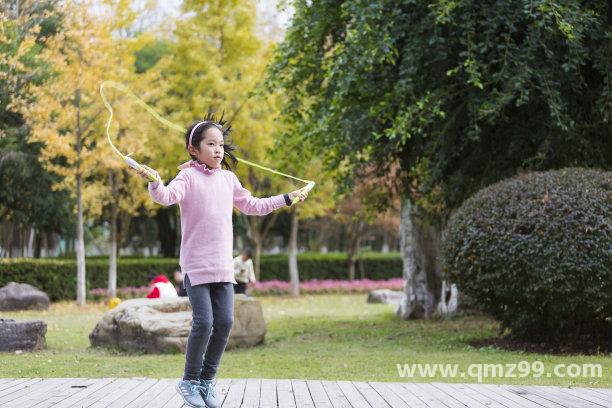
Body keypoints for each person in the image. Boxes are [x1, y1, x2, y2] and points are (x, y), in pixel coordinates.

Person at [134, 113, 309, 408]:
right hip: (196, 265)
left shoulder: (229, 179)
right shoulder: (187, 176)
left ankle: (206, 381)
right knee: (204, 323)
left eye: (221, 144)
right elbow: (164, 196)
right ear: (194, 149)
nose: (218, 150)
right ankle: (188, 381)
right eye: (211, 144)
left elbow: (254, 205)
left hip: (222, 266)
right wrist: (154, 181)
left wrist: (286, 198)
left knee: (225, 323)